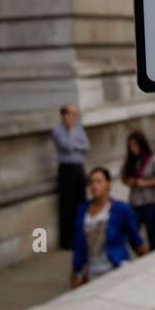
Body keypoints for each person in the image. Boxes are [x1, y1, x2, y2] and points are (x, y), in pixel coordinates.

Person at [72, 167, 148, 286]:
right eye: (91, 182)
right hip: (92, 270)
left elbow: (135, 238)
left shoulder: (120, 209)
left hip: (114, 267)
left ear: (108, 184)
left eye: (99, 181)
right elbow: (79, 243)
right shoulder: (82, 210)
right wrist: (75, 270)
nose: (94, 185)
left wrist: (147, 260)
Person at [52, 103, 91, 250]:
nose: (74, 117)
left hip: (78, 168)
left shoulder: (78, 128)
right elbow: (67, 146)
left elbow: (86, 146)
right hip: (66, 170)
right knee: (67, 205)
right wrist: (71, 133)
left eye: (75, 114)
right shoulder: (58, 131)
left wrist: (76, 144)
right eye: (71, 114)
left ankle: (80, 237)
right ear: (64, 115)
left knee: (80, 202)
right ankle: (67, 241)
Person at [121, 132, 155, 250]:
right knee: (133, 232)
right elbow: (123, 177)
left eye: (135, 145)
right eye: (130, 146)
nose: (133, 148)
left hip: (151, 200)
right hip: (136, 201)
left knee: (152, 234)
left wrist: (146, 183)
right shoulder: (130, 161)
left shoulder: (153, 160)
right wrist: (129, 181)